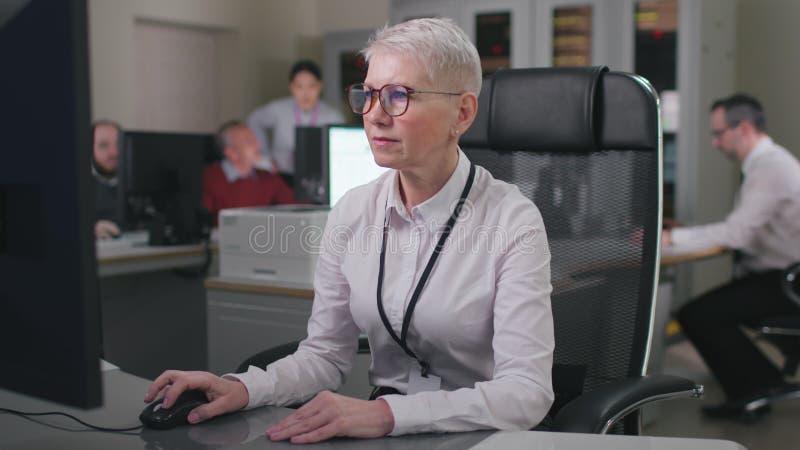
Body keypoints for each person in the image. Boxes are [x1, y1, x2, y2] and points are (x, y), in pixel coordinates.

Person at [145, 18, 554, 443]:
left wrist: (387, 414)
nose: (374, 115)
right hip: (388, 433)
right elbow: (325, 355)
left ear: (462, 113)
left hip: (482, 436)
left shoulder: (512, 220)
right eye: (368, 95)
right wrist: (244, 388)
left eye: (398, 96)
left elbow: (527, 393)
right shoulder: (354, 211)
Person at [662, 94, 800, 421]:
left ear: (745, 128)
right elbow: (744, 230)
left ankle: (756, 390)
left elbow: (736, 235)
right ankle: (757, 388)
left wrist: (672, 238)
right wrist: (686, 232)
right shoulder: (766, 165)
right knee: (707, 311)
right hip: (779, 276)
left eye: (718, 133)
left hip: (787, 283)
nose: (714, 142)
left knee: (697, 315)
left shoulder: (771, 168)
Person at [247, 59, 345, 187]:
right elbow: (254, 119)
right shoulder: (279, 109)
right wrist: (265, 155)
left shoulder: (333, 116)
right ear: (291, 87)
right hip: (281, 174)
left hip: (317, 178)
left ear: (320, 86)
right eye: (299, 87)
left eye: (311, 86)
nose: (305, 93)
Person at [203, 120, 295, 224]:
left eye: (255, 139)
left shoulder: (267, 178)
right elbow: (200, 222)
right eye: (248, 141)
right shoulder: (209, 178)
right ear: (231, 153)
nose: (257, 145)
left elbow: (298, 206)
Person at [92, 119, 124, 239]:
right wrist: (91, 229)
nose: (114, 153)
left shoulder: (140, 181)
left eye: (118, 144)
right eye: (103, 145)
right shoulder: (76, 185)